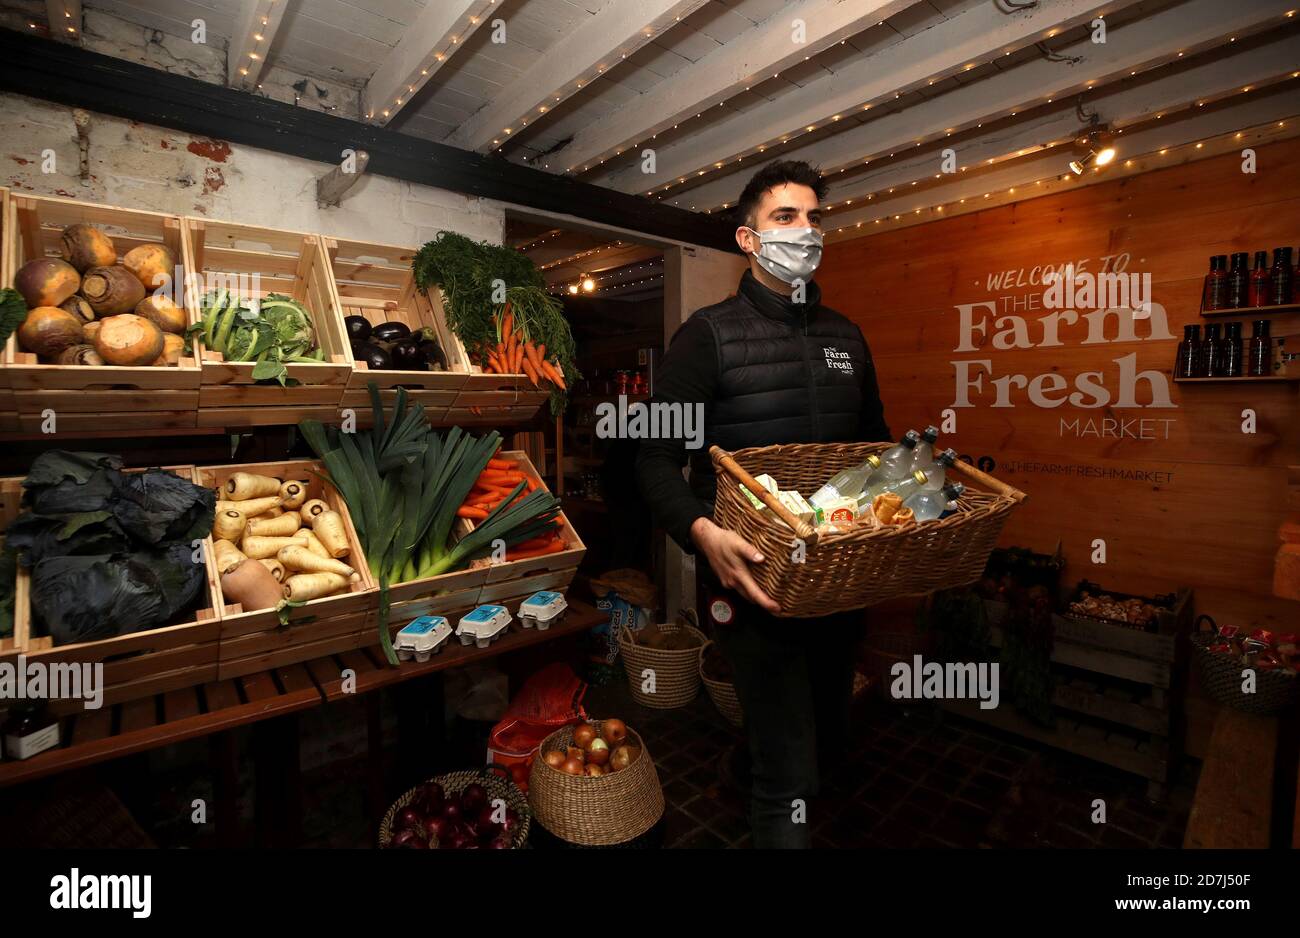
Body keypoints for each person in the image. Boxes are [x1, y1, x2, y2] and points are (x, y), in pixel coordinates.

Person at [635, 160, 890, 848]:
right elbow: (652, 458)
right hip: (751, 587)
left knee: (830, 734)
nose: (804, 231)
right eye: (785, 217)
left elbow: (878, 457)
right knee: (793, 778)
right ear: (748, 239)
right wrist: (701, 534)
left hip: (838, 584)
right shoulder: (707, 335)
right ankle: (767, 785)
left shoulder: (847, 337)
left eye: (813, 217)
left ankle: (746, 769)